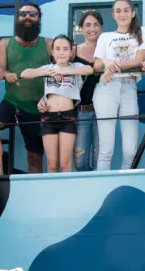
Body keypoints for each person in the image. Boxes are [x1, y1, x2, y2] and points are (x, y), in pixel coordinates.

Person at [0, 2, 52, 176]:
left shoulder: (49, 44)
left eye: (32, 14)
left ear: (39, 19)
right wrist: (5, 74)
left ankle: (35, 195)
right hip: (12, 102)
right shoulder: (5, 43)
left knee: (34, 159)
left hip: (39, 107)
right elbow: (1, 68)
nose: (27, 17)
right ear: (18, 18)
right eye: (23, 14)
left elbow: (65, 64)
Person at [93, 0, 145, 170]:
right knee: (106, 148)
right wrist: (106, 63)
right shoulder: (105, 37)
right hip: (106, 88)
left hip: (129, 86)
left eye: (126, 10)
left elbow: (139, 61)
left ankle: (124, 185)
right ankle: (102, 188)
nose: (122, 14)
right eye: (118, 11)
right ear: (113, 15)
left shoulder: (141, 32)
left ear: (133, 13)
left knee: (130, 150)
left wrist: (112, 65)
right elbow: (96, 65)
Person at [23, 35, 95, 174]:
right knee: (52, 164)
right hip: (48, 117)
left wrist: (64, 71)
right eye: (58, 49)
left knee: (65, 163)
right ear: (53, 52)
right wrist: (50, 72)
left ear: (71, 52)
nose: (61, 52)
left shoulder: (75, 66)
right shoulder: (48, 68)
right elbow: (26, 73)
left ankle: (68, 195)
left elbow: (89, 70)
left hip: (68, 117)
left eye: (65, 49)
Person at [72, 11, 103, 172]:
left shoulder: (107, 51)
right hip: (81, 112)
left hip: (104, 112)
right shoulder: (73, 51)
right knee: (79, 161)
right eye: (88, 25)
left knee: (100, 159)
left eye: (96, 24)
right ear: (81, 28)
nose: (92, 28)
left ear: (101, 28)